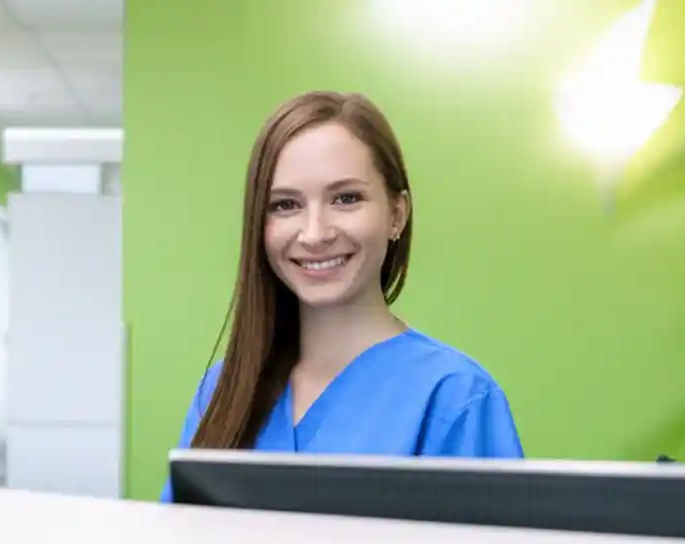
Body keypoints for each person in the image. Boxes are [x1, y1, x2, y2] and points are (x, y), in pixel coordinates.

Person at [161, 91, 523, 503]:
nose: (315, 233)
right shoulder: (223, 391)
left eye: (346, 198)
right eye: (285, 205)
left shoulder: (454, 395)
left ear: (396, 214)